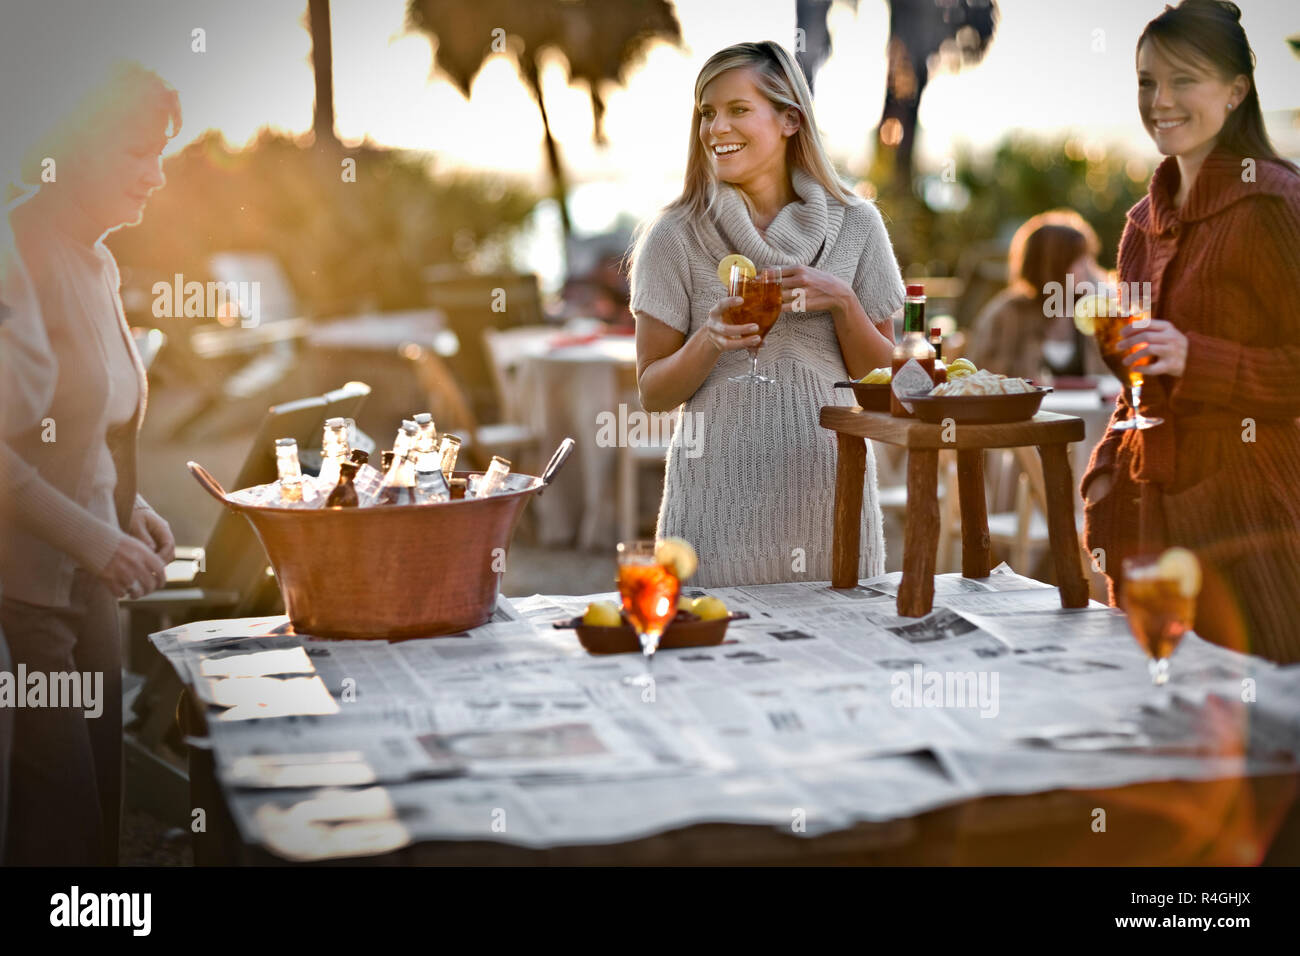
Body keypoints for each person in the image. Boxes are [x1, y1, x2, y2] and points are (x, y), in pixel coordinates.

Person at [629, 41, 905, 587]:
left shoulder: (858, 224)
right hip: (713, 512)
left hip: (831, 501)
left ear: (789, 119)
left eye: (736, 110)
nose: (715, 129)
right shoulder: (674, 235)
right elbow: (653, 393)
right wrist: (707, 340)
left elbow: (893, 389)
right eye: (707, 113)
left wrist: (844, 304)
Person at [1079, 0, 1300, 663]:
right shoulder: (1140, 223)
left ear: (1236, 92)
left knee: (1260, 722)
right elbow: (1138, 384)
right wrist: (1105, 475)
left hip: (1252, 518)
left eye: (1184, 80)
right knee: (1158, 717)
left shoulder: (1275, 205)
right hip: (1149, 515)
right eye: (1147, 81)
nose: (1159, 100)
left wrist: (1195, 356)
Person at [0, 62, 180, 864]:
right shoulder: (19, 251)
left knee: (101, 807)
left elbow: (88, 427)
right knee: (57, 817)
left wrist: (125, 510)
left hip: (88, 575)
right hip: (24, 593)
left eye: (161, 153)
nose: (158, 174)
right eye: (137, 154)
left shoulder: (99, 260)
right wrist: (93, 537)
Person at [966, 209, 1111, 381]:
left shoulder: (1096, 313)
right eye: (1078, 259)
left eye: (1087, 257)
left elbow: (1117, 379)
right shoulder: (1005, 315)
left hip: (1089, 408)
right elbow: (980, 380)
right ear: (1052, 266)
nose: (1088, 267)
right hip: (1028, 408)